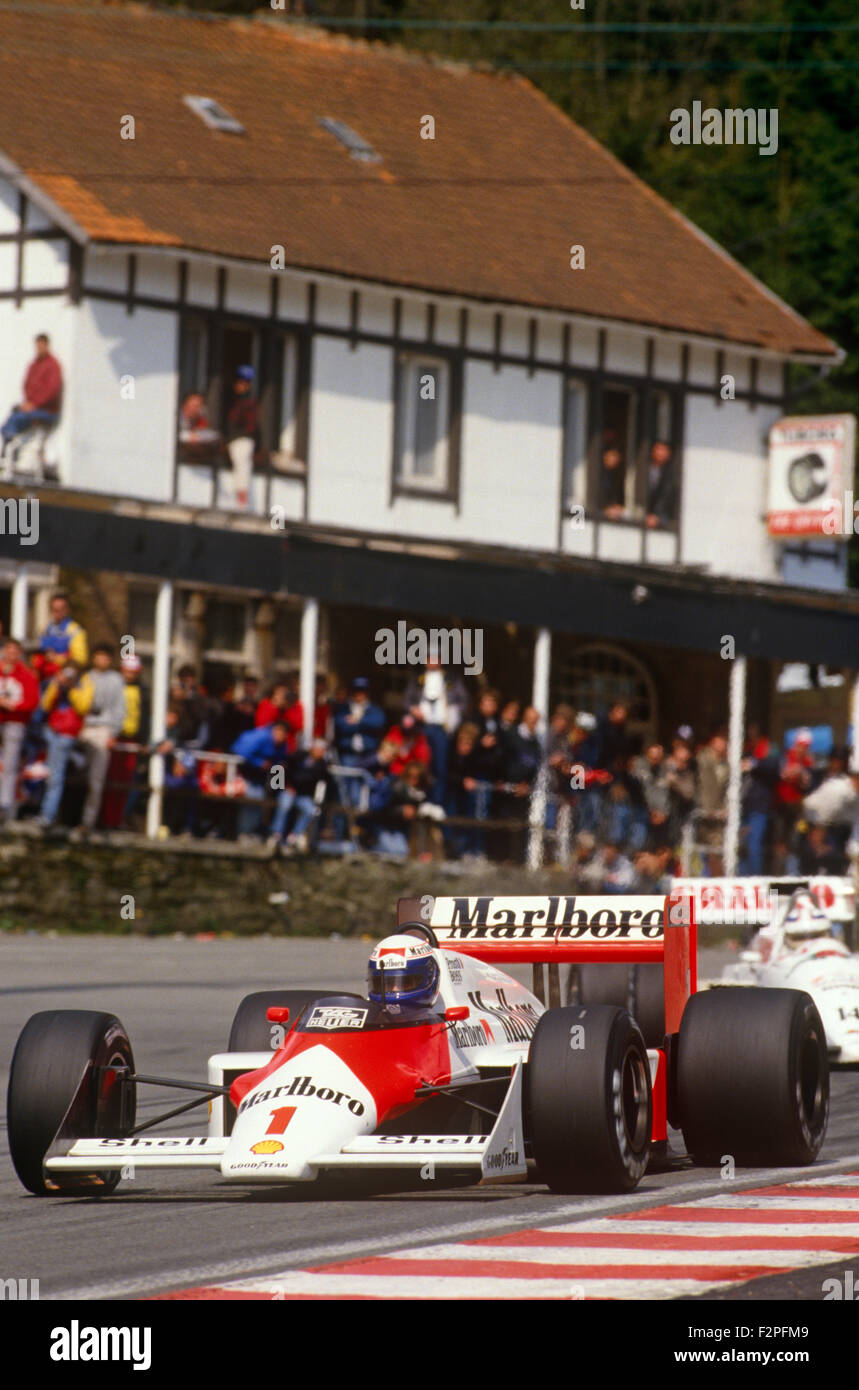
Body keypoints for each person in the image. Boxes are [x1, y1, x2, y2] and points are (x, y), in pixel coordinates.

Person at [402, 656, 469, 805]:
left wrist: (453, 712)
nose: (431, 661)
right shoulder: (417, 678)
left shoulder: (451, 678)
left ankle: (436, 803)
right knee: (421, 766)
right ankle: (418, 801)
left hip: (441, 728)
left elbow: (464, 701)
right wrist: (414, 709)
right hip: (422, 727)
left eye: (435, 658)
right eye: (428, 658)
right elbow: (407, 701)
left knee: (440, 767)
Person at [76, 644, 126, 834]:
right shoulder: (86, 677)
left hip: (103, 729)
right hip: (83, 728)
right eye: (99, 656)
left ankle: (87, 821)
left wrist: (113, 732)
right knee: (74, 773)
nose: (101, 660)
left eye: (105, 657)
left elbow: (119, 708)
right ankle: (66, 816)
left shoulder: (116, 680)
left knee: (96, 780)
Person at [37, 663, 92, 829]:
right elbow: (45, 705)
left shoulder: (84, 683)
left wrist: (72, 688)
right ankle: (40, 811)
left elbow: (83, 707)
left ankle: (47, 815)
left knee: (55, 777)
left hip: (66, 735)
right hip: (50, 731)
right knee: (44, 773)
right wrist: (56, 685)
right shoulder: (56, 683)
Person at [101, 654, 146, 829]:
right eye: (127, 671)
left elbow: (144, 715)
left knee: (126, 782)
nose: (130, 675)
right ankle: (106, 819)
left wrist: (143, 739)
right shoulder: (114, 687)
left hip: (131, 741)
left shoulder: (142, 691)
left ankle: (119, 819)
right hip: (113, 738)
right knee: (110, 780)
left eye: (133, 672)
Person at [1, 334, 63, 453]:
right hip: (32, 407)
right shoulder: (34, 364)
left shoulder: (53, 365)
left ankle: (11, 452)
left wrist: (35, 404)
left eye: (41, 345)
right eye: (37, 346)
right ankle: (7, 451)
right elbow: (27, 384)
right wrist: (28, 403)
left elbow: (52, 390)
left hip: (48, 410)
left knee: (18, 418)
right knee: (12, 417)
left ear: (47, 345)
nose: (39, 348)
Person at [0, 638, 40, 824]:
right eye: (8, 650)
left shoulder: (26, 674)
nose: (11, 654)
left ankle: (5, 804)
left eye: (15, 651)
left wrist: (13, 705)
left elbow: (32, 701)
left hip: (15, 722)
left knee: (10, 764)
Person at [267, 738, 331, 851]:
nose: (320, 752)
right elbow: (280, 769)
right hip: (288, 790)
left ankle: (295, 836)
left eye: (323, 750)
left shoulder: (323, 766)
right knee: (285, 805)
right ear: (312, 749)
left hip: (304, 795)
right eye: (319, 749)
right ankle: (276, 834)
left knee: (312, 811)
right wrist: (283, 786)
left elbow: (327, 782)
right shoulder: (297, 757)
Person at [230, 719, 290, 838]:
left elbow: (279, 762)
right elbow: (240, 751)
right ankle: (244, 832)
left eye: (284, 734)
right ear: (274, 730)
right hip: (243, 772)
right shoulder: (259, 737)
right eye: (279, 732)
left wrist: (279, 784)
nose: (281, 736)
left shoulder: (282, 745)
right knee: (253, 798)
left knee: (274, 798)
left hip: (263, 777)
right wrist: (259, 763)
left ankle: (262, 831)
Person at [367, 936, 440, 1014]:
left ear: (430, 979)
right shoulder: (369, 1020)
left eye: (406, 983)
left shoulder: (449, 1023)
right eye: (386, 984)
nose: (395, 990)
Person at [32, 592, 88, 683]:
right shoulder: (45, 629)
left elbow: (80, 660)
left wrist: (56, 658)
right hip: (44, 678)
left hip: (64, 681)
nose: (57, 612)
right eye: (54, 609)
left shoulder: (75, 630)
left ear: (67, 610)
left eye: (61, 609)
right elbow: (38, 653)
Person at [225, 365, 258, 509]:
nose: (242, 385)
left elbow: (250, 425)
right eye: (240, 382)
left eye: (246, 383)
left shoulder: (249, 402)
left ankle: (241, 500)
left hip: (241, 438)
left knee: (242, 462)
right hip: (231, 438)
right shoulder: (229, 398)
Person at [645, 440, 676, 528]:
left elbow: (667, 494)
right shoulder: (645, 468)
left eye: (663, 450)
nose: (660, 453)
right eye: (658, 449)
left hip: (661, 514)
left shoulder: (670, 472)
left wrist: (656, 514)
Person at [600, 444, 626, 519]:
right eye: (613, 456)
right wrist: (605, 508)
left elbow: (618, 498)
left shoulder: (616, 476)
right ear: (605, 455)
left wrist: (617, 507)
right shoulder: (597, 474)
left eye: (617, 457)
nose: (614, 459)